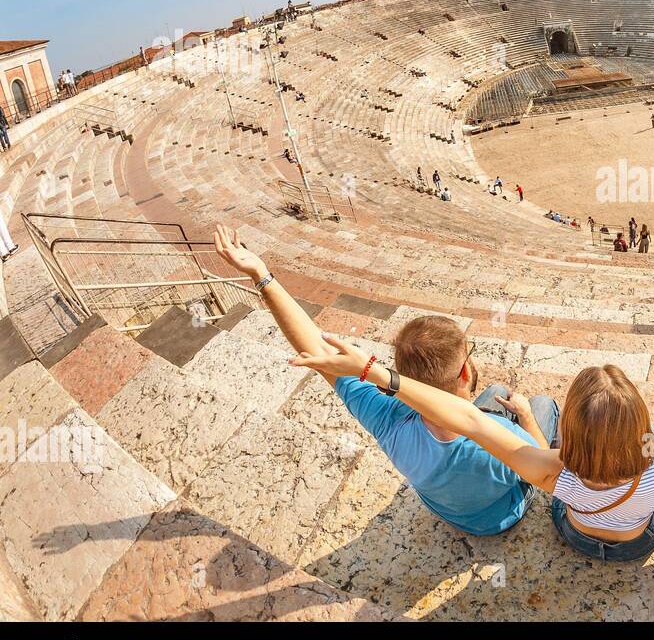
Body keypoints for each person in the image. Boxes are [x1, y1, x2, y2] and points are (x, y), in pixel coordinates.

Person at [212, 225, 556, 536]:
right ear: (465, 372)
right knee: (541, 404)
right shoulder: (505, 441)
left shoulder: (388, 418)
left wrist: (262, 276)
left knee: (497, 393)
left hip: (448, 510)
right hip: (496, 518)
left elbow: (317, 351)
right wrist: (525, 417)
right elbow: (546, 473)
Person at [291, 342, 654, 563]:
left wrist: (380, 374)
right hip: (638, 542)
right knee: (653, 454)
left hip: (576, 533)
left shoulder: (550, 472)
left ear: (569, 434)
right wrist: (644, 438)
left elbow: (470, 420)